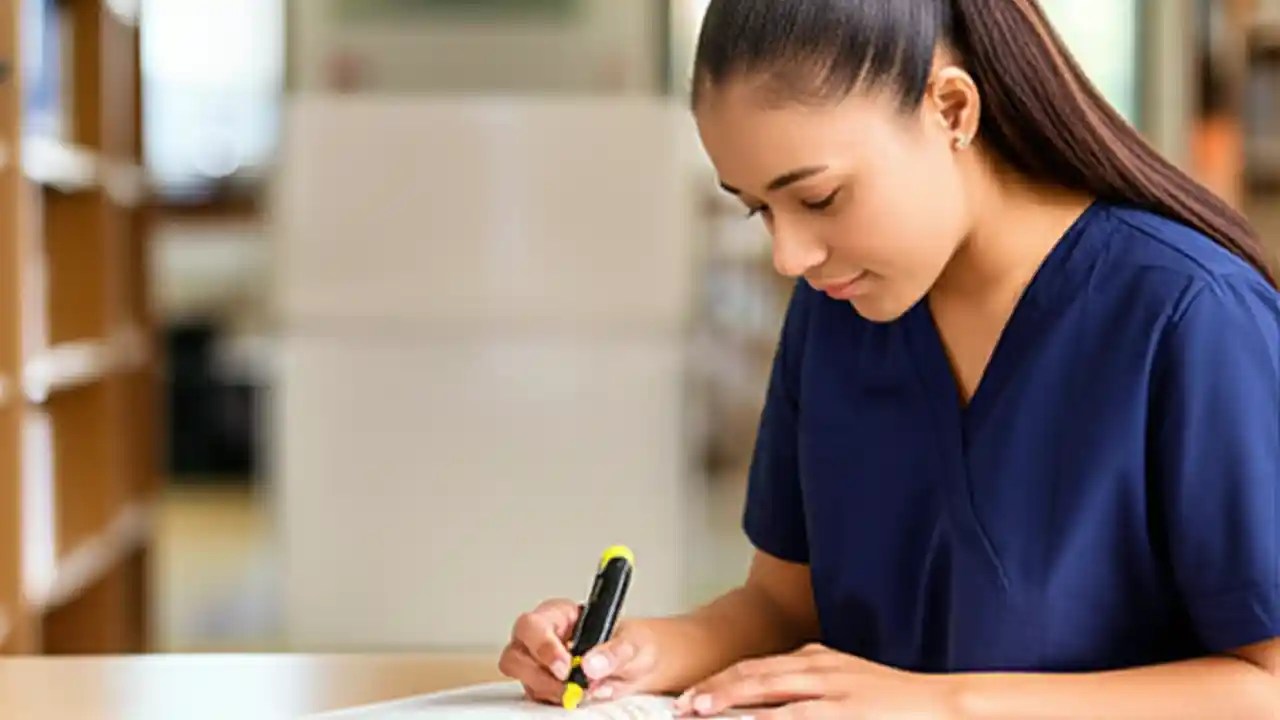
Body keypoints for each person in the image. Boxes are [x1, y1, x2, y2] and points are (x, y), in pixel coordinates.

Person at [498, 0, 1280, 717]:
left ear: (951, 109)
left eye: (820, 198)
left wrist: (941, 706)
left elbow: (1267, 681)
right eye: (759, 208)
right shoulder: (840, 308)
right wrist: (627, 654)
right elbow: (780, 606)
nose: (789, 254)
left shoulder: (1191, 316)